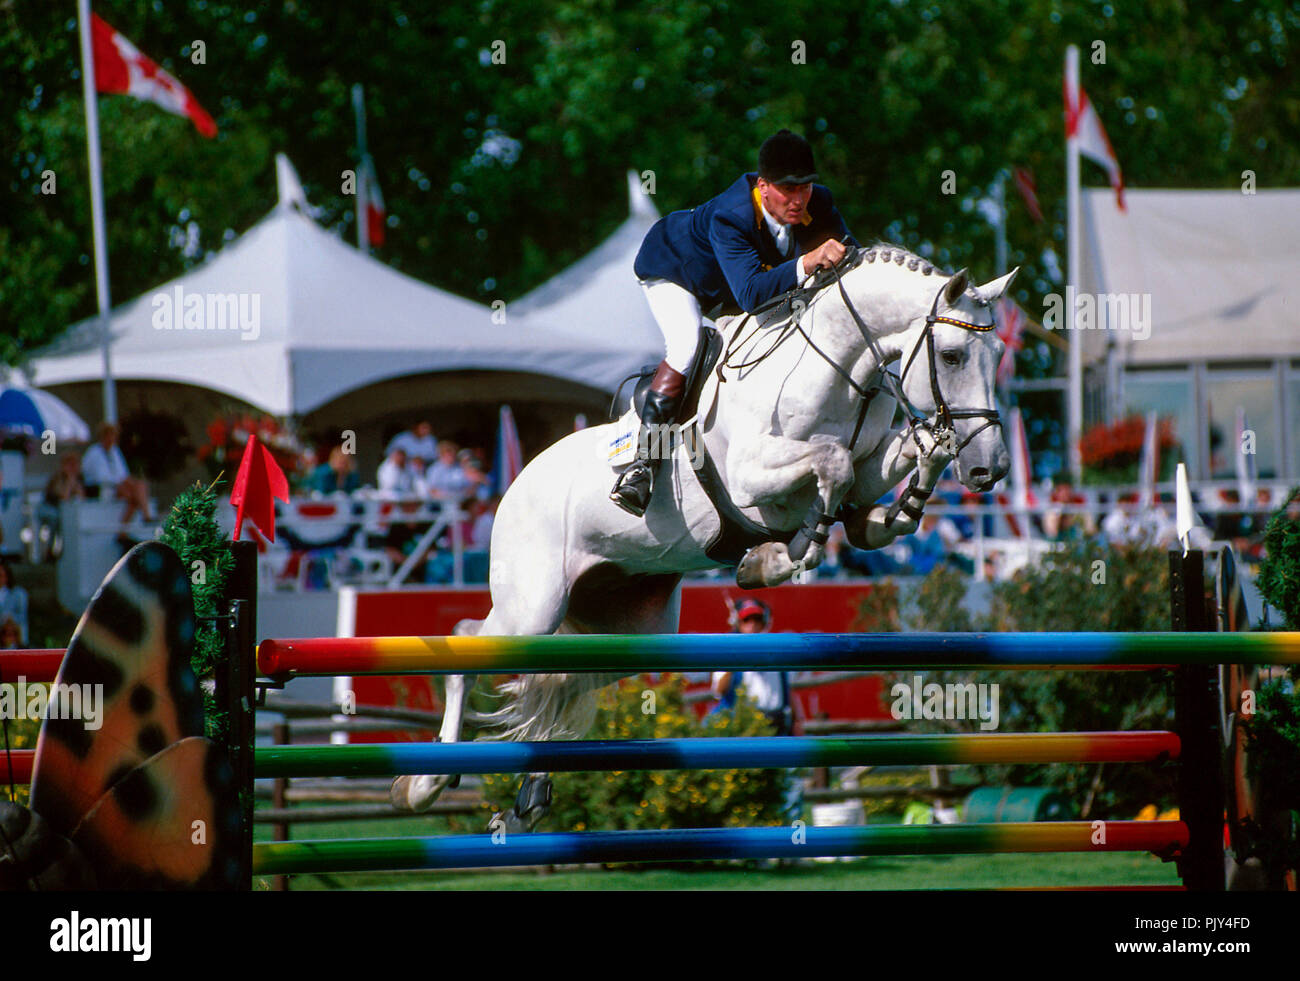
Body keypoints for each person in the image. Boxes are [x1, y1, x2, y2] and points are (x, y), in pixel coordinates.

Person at [611, 129, 858, 517]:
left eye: (805, 188)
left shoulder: (818, 203)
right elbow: (752, 296)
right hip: (672, 269)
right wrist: (807, 262)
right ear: (763, 186)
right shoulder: (732, 215)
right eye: (787, 190)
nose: (798, 200)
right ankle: (642, 465)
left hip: (727, 281)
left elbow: (850, 257)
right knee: (688, 345)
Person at [710, 599, 793, 735]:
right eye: (746, 620)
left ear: (764, 622)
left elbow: (786, 692)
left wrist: (796, 722)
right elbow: (719, 691)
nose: (752, 625)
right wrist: (734, 659)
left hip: (777, 725)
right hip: (745, 724)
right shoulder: (727, 650)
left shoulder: (776, 649)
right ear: (738, 623)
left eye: (757, 619)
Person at [82, 421, 152, 523]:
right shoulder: (94, 453)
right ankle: (144, 516)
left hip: (115, 486)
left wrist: (127, 481)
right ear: (103, 436)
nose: (112, 439)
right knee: (134, 495)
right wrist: (121, 481)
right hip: (100, 488)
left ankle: (126, 529)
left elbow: (123, 473)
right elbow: (99, 477)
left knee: (138, 489)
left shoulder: (115, 451)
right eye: (109, 435)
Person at [39, 452, 86, 561]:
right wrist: (70, 481)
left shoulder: (80, 478)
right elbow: (63, 497)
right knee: (56, 519)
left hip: (66, 511)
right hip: (49, 508)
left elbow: (82, 497)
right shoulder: (57, 477)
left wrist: (75, 482)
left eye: (75, 465)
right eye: (70, 465)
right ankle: (51, 550)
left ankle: (68, 551)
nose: (73, 468)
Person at [0, 560, 29, 646]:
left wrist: (11, 620)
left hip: (15, 631)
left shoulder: (19, 594)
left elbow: (22, 616)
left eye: (1, 576)